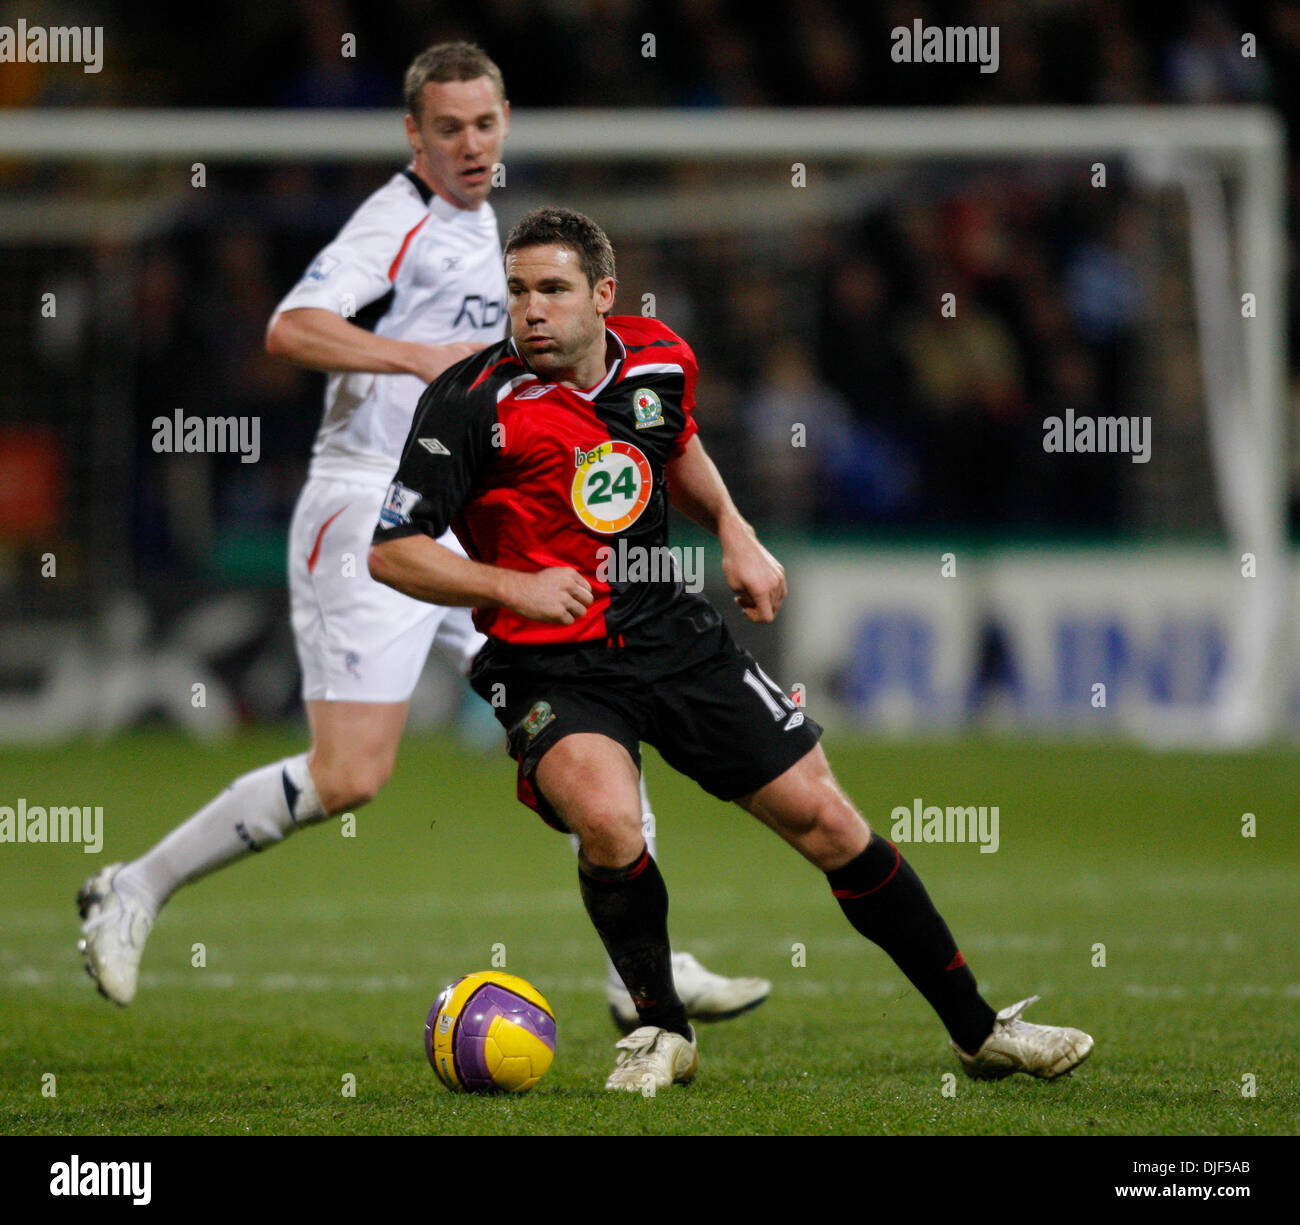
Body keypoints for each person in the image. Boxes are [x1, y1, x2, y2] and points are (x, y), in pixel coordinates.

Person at [77, 42, 769, 1030]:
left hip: (465, 506)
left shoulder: (485, 224)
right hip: (372, 506)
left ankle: (640, 976)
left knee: (592, 683)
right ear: (415, 134)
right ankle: (133, 886)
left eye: (485, 123)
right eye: (448, 128)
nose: (471, 143)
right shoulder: (394, 219)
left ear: (506, 121)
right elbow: (291, 326)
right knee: (350, 772)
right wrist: (414, 355)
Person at [368, 205, 1096, 1091]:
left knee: (830, 821)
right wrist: (510, 586)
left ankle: (979, 1031)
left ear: (602, 295)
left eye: (552, 289)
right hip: (547, 661)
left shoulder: (662, 359)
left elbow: (676, 446)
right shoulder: (470, 401)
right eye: (517, 291)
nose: (531, 310)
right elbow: (391, 549)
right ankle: (660, 1029)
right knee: (607, 817)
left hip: (670, 635)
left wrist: (738, 532)